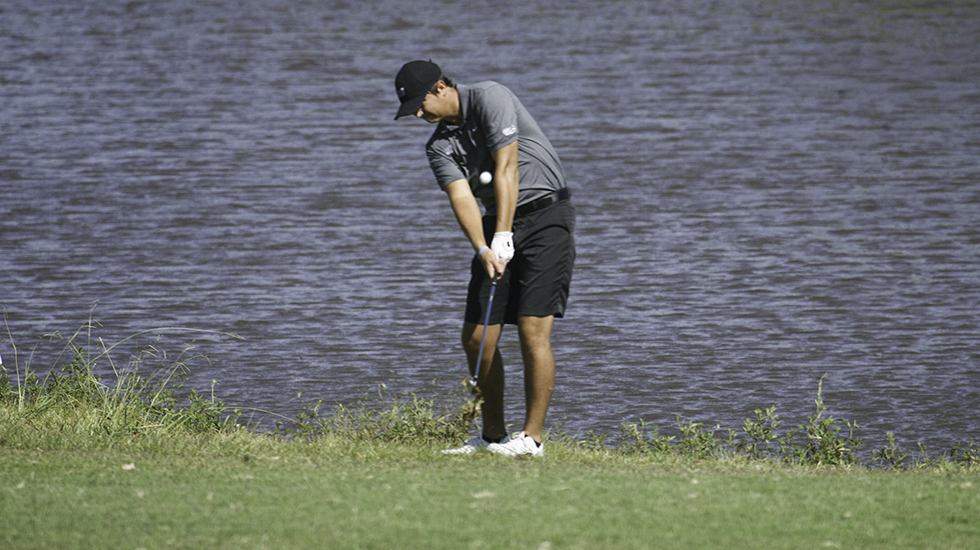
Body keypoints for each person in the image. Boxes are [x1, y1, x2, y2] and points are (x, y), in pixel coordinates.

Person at [394, 60, 576, 457]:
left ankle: (532, 439)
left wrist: (505, 234)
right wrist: (483, 247)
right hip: (495, 225)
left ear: (441, 86)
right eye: (413, 113)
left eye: (421, 106)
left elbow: (506, 166)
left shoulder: (490, 96)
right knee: (477, 337)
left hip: (546, 214)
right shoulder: (439, 146)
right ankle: (492, 437)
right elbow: (461, 197)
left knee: (532, 328)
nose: (420, 116)